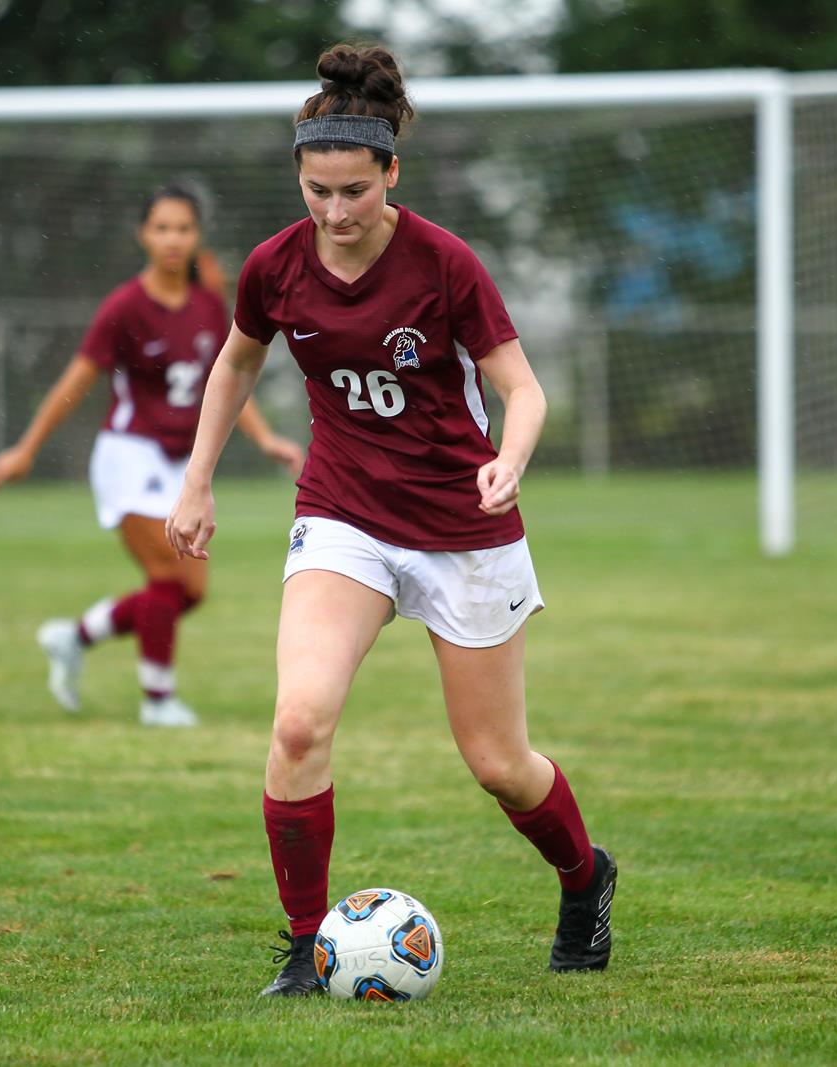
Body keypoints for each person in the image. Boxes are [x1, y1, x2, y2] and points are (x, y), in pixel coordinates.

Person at [165, 44, 617, 995]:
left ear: (391, 173)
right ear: (300, 175)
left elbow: (522, 390)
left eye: (355, 192)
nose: (334, 213)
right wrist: (197, 477)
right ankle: (300, 945)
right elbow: (237, 363)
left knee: (498, 764)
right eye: (317, 190)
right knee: (298, 722)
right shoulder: (272, 267)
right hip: (344, 516)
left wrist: (510, 457)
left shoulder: (446, 263)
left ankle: (585, 878)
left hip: (464, 525)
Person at [0, 185, 305, 729]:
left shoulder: (209, 305)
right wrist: (26, 448)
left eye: (183, 228)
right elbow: (74, 383)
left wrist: (266, 439)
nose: (172, 239)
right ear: (143, 235)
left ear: (196, 235)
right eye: (161, 228)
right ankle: (158, 700)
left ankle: (76, 637)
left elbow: (223, 382)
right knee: (166, 569)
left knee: (189, 590)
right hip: (128, 456)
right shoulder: (126, 306)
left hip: (180, 465)